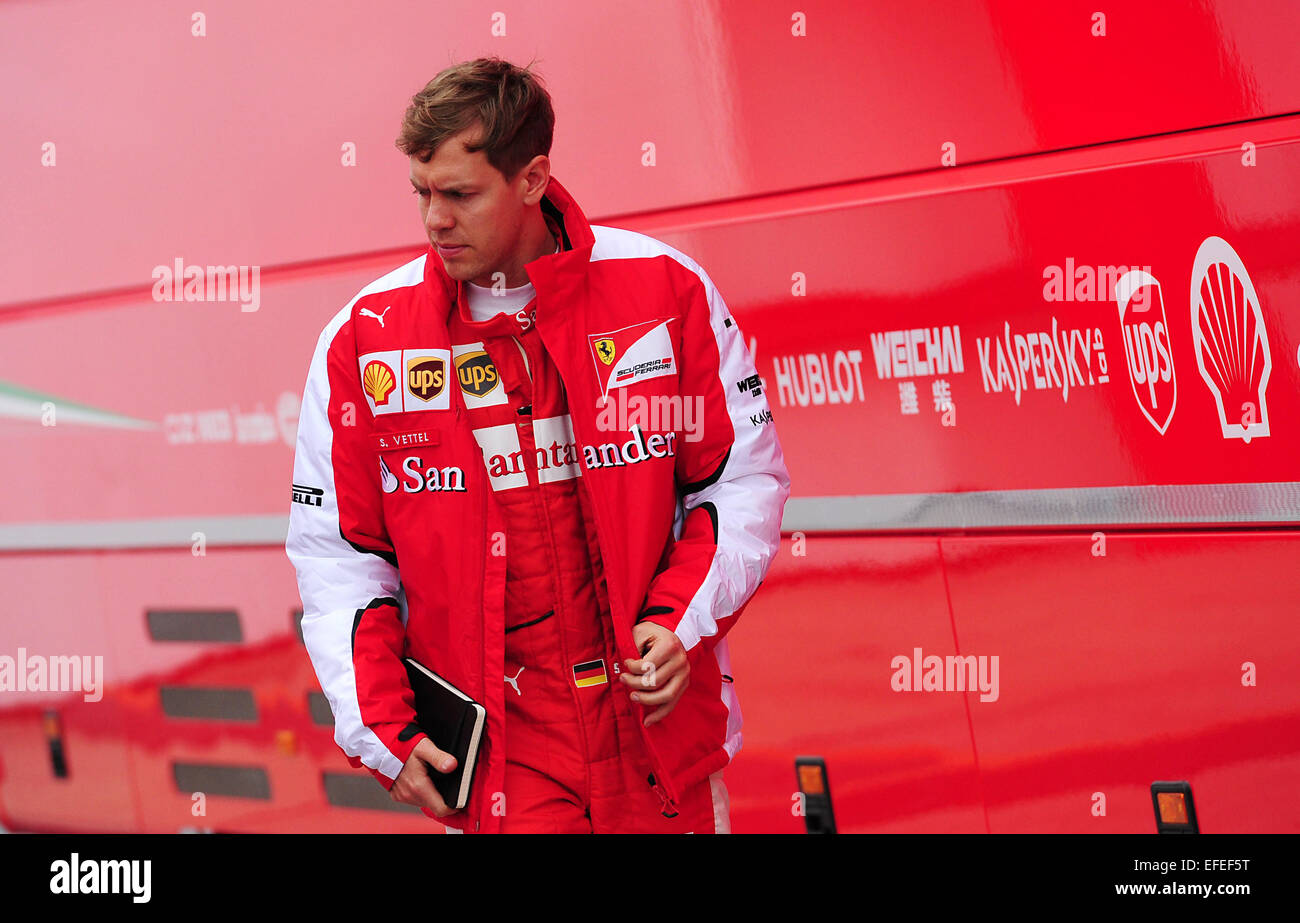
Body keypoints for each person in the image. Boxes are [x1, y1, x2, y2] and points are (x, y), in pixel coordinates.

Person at [285, 57, 789, 833]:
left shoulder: (663, 287)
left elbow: (739, 480)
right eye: (421, 192)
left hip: (654, 735)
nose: (434, 220)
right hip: (504, 760)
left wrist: (678, 618)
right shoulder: (364, 339)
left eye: (460, 194)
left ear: (532, 179)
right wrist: (381, 729)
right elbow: (339, 556)